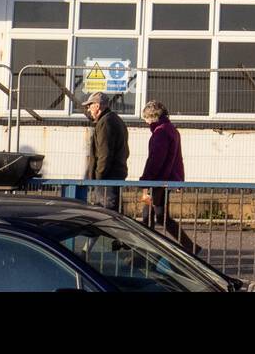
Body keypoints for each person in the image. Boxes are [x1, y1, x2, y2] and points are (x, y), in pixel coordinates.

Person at [139, 100, 199, 255]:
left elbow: (155, 160)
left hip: (158, 181)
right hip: (167, 180)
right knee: (160, 217)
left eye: (145, 118)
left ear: (151, 117)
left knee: (149, 218)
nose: (145, 122)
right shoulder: (171, 129)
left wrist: (145, 180)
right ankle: (188, 247)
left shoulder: (160, 133)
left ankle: (148, 253)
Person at [82, 91, 129, 210]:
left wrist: (98, 177)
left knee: (107, 214)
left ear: (97, 106)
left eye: (89, 106)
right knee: (116, 214)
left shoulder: (105, 122)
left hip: (107, 178)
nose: (88, 110)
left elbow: (104, 154)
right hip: (114, 175)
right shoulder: (115, 119)